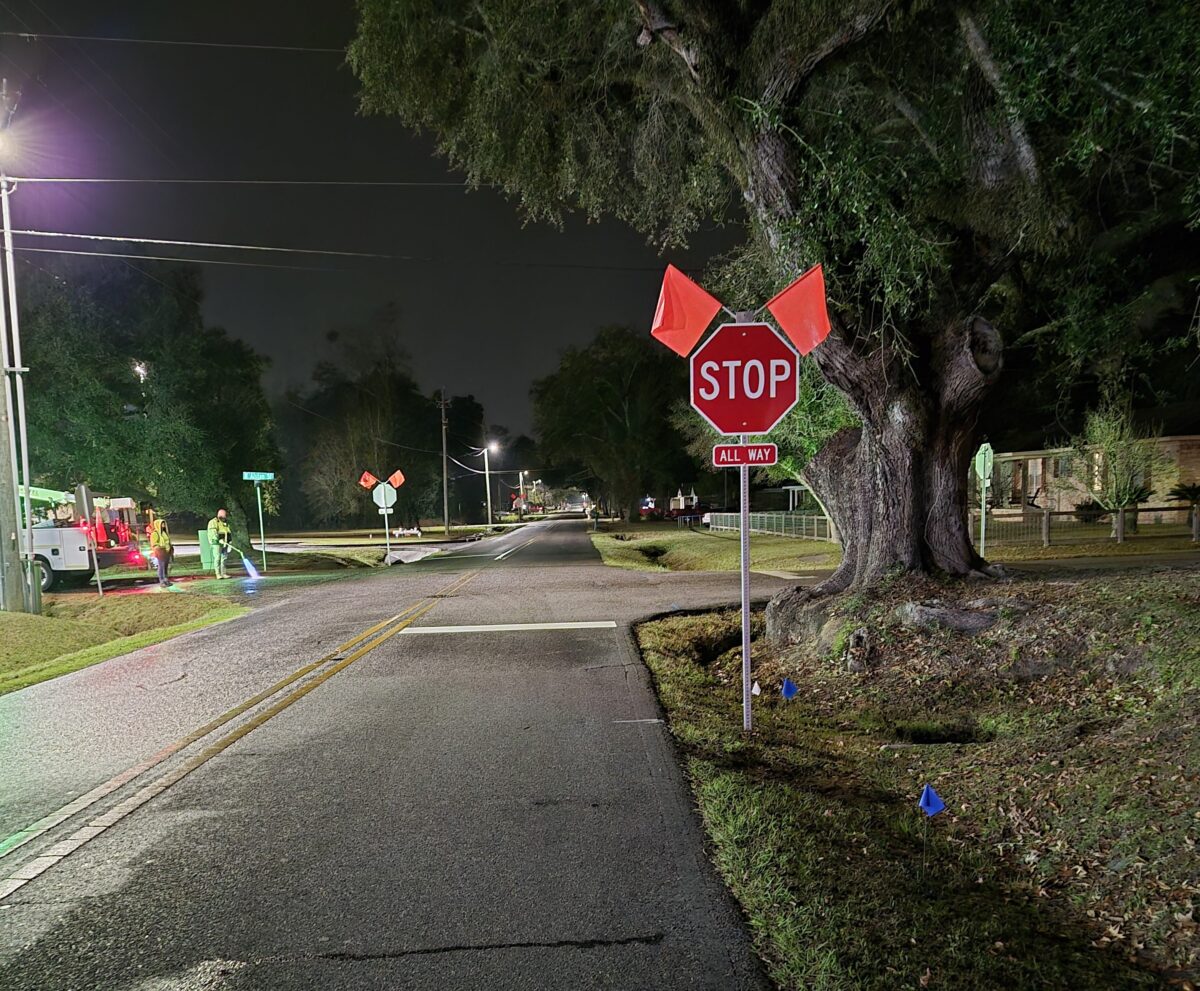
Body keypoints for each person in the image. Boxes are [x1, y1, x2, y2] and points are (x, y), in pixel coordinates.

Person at [147, 506, 173, 588]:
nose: (163, 526)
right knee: (161, 566)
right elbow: (154, 544)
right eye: (162, 524)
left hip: (167, 551)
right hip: (161, 551)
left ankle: (166, 579)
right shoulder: (155, 533)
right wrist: (160, 549)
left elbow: (167, 541)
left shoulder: (164, 533)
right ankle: (161, 580)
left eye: (164, 524)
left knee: (165, 566)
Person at [206, 508, 233, 579]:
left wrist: (229, 541)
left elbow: (228, 532)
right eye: (224, 515)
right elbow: (213, 532)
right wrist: (219, 539)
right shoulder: (213, 522)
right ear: (220, 514)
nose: (225, 517)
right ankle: (218, 574)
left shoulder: (225, 523)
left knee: (224, 558)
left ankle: (223, 573)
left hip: (225, 543)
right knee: (217, 558)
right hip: (216, 543)